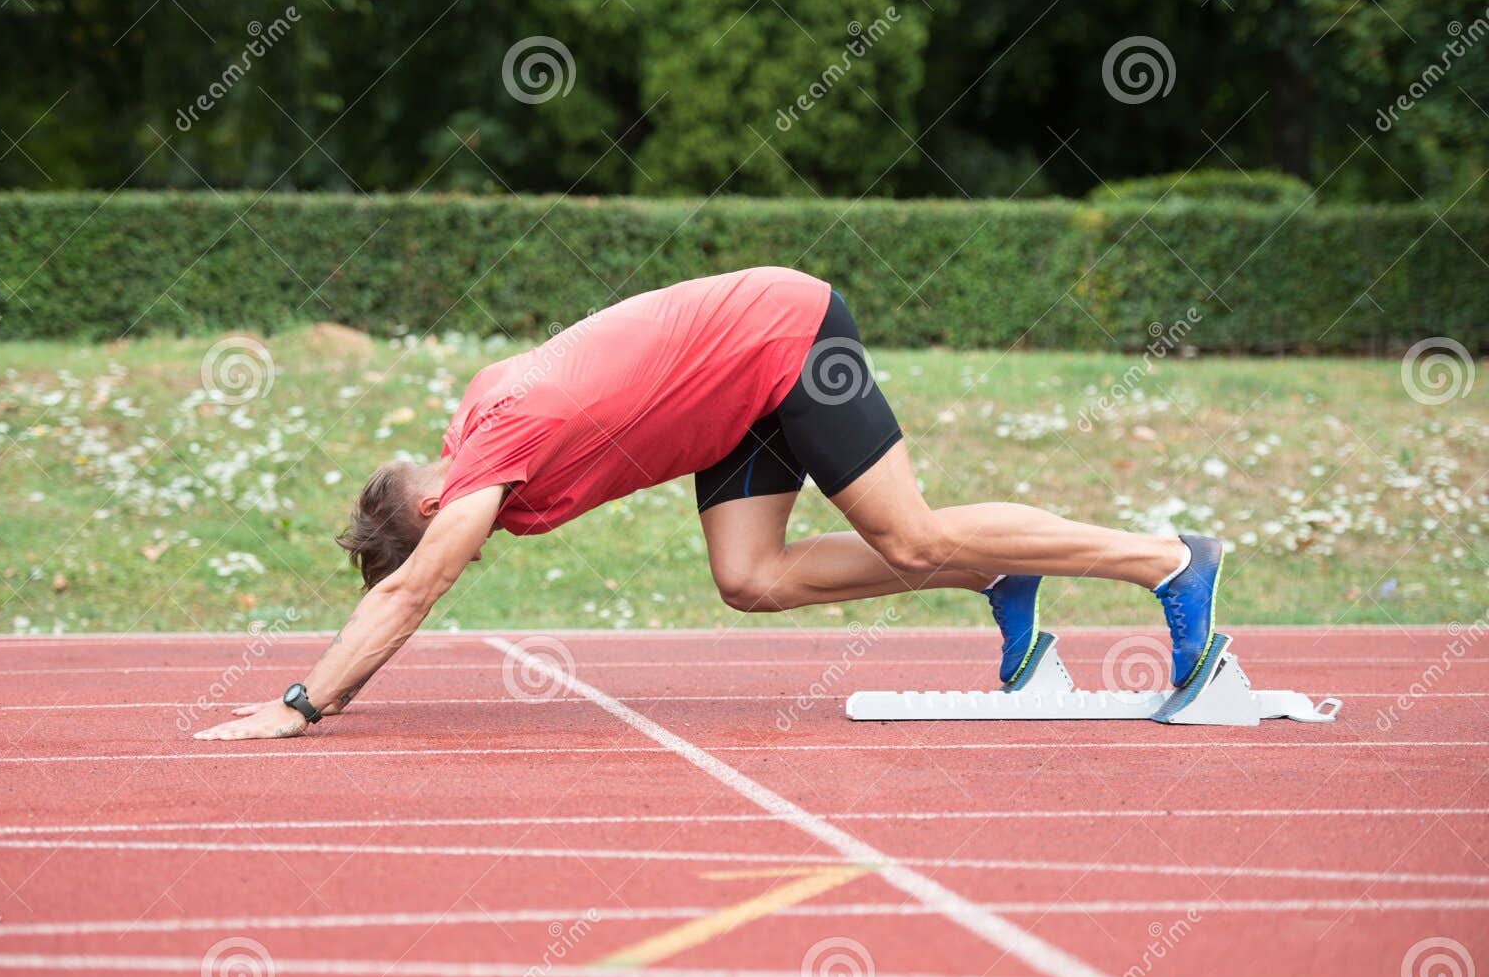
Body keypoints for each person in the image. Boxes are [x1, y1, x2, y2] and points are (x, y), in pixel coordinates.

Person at [193, 266, 1221, 741]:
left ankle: (1167, 561)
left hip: (785, 339)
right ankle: (995, 568)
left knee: (907, 534)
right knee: (749, 578)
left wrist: (303, 703)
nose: (471, 541)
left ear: (424, 509)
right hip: (735, 403)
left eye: (444, 535)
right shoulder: (476, 429)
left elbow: (412, 594)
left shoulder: (483, 458)